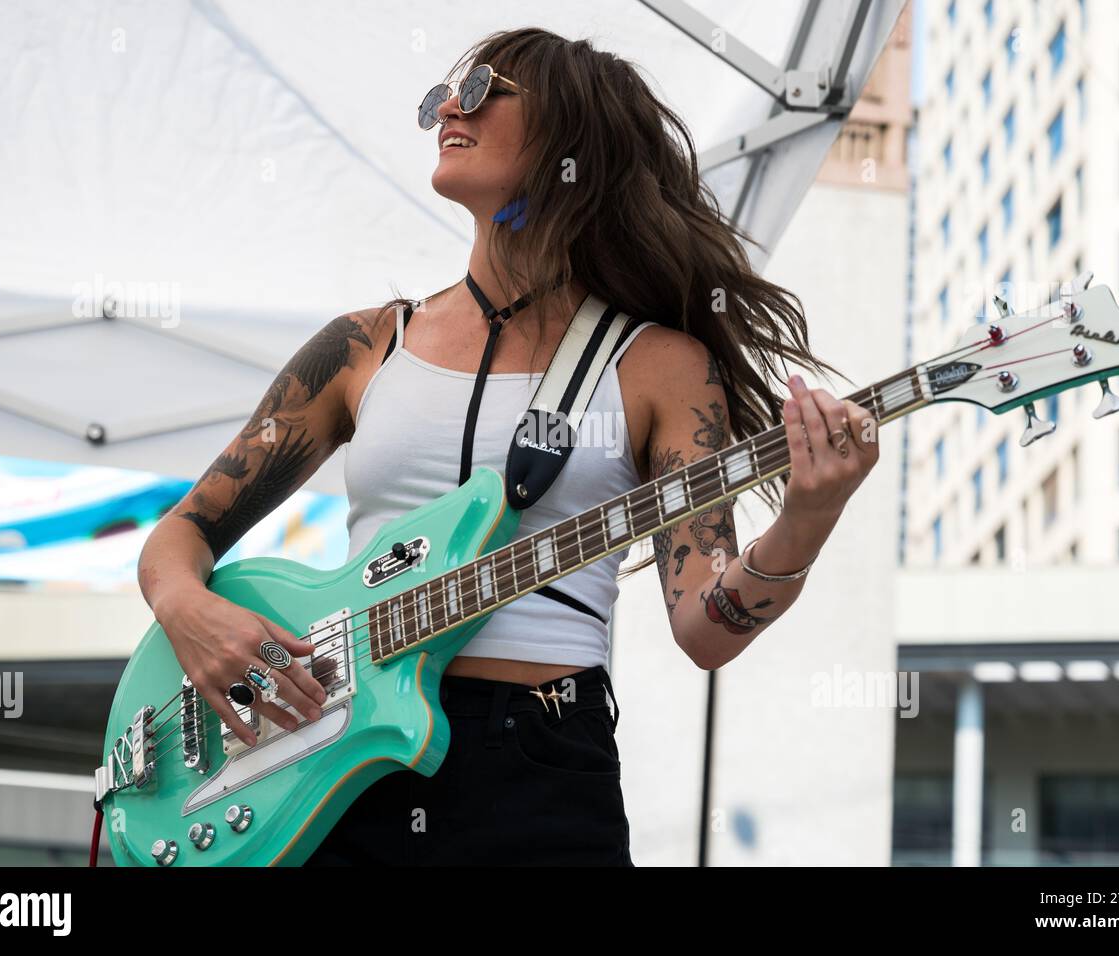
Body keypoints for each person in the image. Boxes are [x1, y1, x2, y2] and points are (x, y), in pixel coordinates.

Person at [136, 27, 879, 866]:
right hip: (334, 758)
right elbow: (183, 534)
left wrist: (808, 521)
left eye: (488, 87)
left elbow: (706, 627)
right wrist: (191, 613)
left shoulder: (661, 367)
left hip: (540, 762)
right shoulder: (361, 347)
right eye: (446, 95)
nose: (450, 107)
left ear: (574, 136)